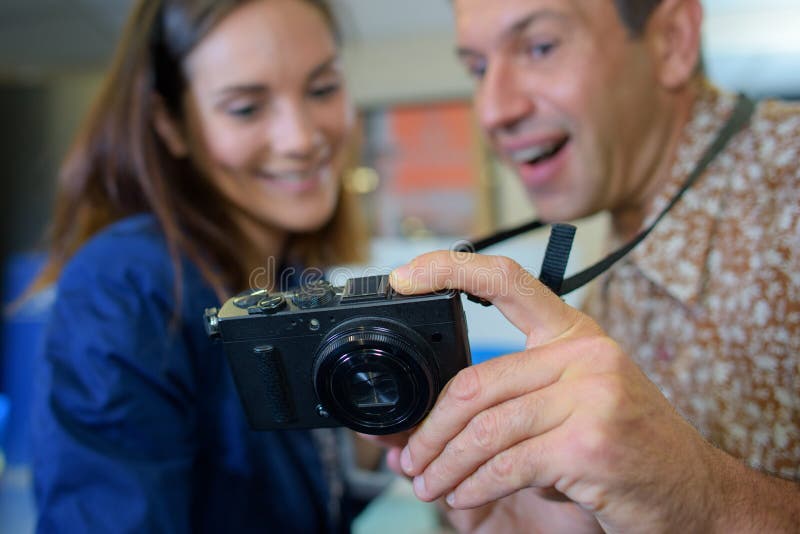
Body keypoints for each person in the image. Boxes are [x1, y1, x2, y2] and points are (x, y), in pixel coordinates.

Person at [376, 0, 800, 532]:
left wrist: (709, 505)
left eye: (540, 47)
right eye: (479, 69)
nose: (492, 111)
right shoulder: (619, 257)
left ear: (672, 39)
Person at [30, 0, 374, 532]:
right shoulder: (129, 281)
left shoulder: (287, 278)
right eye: (245, 108)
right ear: (170, 124)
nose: (302, 139)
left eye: (323, 89)